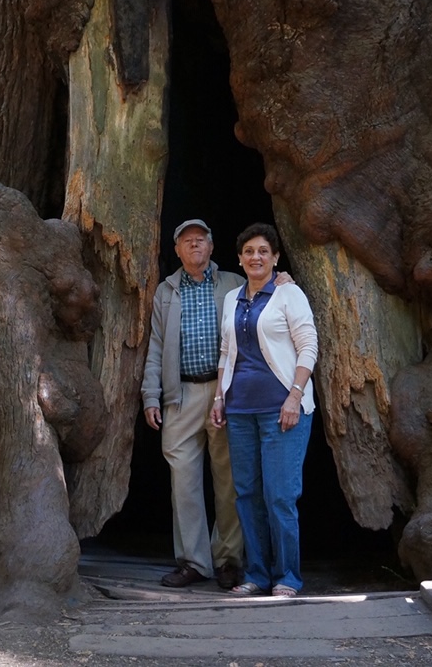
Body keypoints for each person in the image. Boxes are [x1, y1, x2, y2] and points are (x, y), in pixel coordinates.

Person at [210, 223, 318, 598]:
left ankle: (287, 576)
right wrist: (219, 397)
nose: (256, 257)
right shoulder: (233, 298)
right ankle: (256, 574)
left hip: (282, 410)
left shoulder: (289, 294)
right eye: (249, 251)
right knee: (247, 493)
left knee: (280, 495)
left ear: (275, 258)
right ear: (239, 259)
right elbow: (227, 351)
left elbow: (308, 347)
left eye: (263, 251)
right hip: (239, 410)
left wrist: (294, 395)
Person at [141, 219, 245, 589]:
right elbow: (155, 346)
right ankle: (193, 562)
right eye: (187, 242)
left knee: (228, 479)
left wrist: (284, 280)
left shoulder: (234, 283)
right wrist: (150, 395)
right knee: (183, 482)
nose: (194, 246)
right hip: (180, 395)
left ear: (212, 247)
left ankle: (228, 560)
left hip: (223, 393)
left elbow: (265, 304)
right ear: (178, 250)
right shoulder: (166, 292)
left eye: (200, 240)